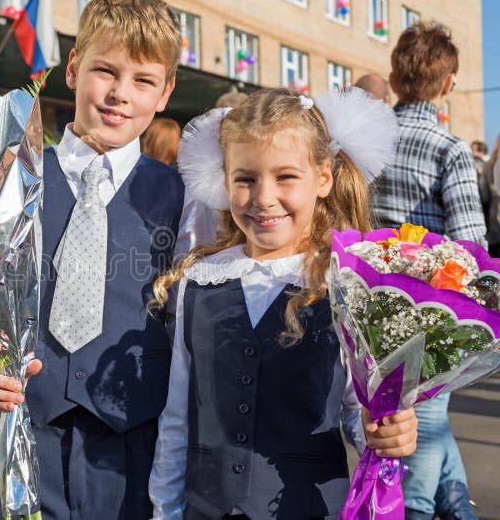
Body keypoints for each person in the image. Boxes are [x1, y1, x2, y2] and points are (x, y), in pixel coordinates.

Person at [0, 0, 187, 518]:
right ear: (74, 67)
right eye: (106, 71)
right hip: (31, 435)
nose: (120, 94)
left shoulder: (181, 197)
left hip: (135, 446)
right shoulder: (14, 180)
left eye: (143, 81)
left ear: (165, 92)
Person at [148, 88, 417, 520]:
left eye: (285, 177)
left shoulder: (346, 284)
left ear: (323, 178)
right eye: (246, 179)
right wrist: (166, 511)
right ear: (224, 180)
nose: (264, 197)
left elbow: (356, 411)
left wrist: (387, 431)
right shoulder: (196, 281)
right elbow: (177, 418)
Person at [372, 22, 482, 520]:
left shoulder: (364, 140)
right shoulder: (450, 148)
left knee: (422, 422)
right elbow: (471, 246)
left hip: (369, 307)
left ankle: (459, 510)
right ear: (447, 84)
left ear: (394, 80)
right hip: (429, 307)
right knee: (427, 422)